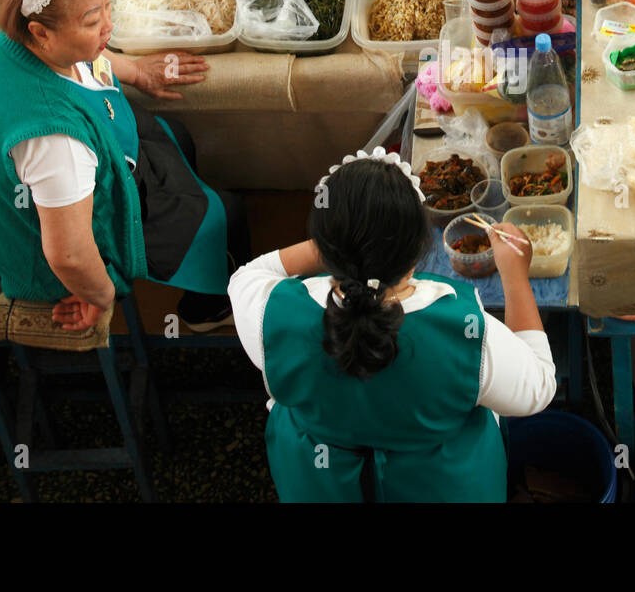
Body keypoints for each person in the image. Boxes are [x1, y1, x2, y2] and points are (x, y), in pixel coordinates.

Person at [0, 0, 249, 333]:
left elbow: (90, 55)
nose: (109, 25)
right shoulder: (55, 141)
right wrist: (100, 296)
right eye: (93, 21)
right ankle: (208, 308)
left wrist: (137, 72)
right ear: (41, 32)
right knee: (226, 217)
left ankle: (183, 203)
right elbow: (70, 255)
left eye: (108, 7)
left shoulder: (0, 27)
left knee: (174, 134)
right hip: (41, 246)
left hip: (50, 198)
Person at [229, 148, 556, 502]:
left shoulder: (271, 313)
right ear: (419, 248)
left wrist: (340, 240)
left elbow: (248, 275)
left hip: (324, 486)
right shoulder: (464, 330)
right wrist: (515, 277)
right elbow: (539, 387)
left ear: (323, 245)